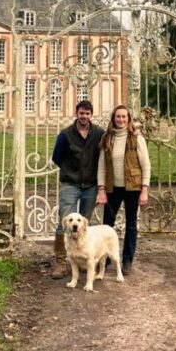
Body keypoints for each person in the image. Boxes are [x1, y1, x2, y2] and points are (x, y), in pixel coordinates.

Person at [49, 100, 104, 280]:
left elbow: (109, 145)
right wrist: (69, 170)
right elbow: (57, 157)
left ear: (91, 115)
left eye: (87, 113)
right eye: (81, 113)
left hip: (90, 185)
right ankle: (60, 262)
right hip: (70, 184)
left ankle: (83, 259)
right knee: (65, 223)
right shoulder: (65, 134)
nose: (84, 116)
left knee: (83, 224)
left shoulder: (98, 133)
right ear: (77, 113)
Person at [96, 104, 151, 275]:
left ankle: (127, 261)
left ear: (128, 119)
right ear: (113, 119)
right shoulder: (107, 138)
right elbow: (102, 166)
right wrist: (101, 189)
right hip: (112, 188)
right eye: (118, 116)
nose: (121, 119)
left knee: (131, 225)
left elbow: (146, 165)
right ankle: (105, 260)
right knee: (107, 225)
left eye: (124, 117)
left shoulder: (136, 138)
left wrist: (144, 189)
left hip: (133, 187)